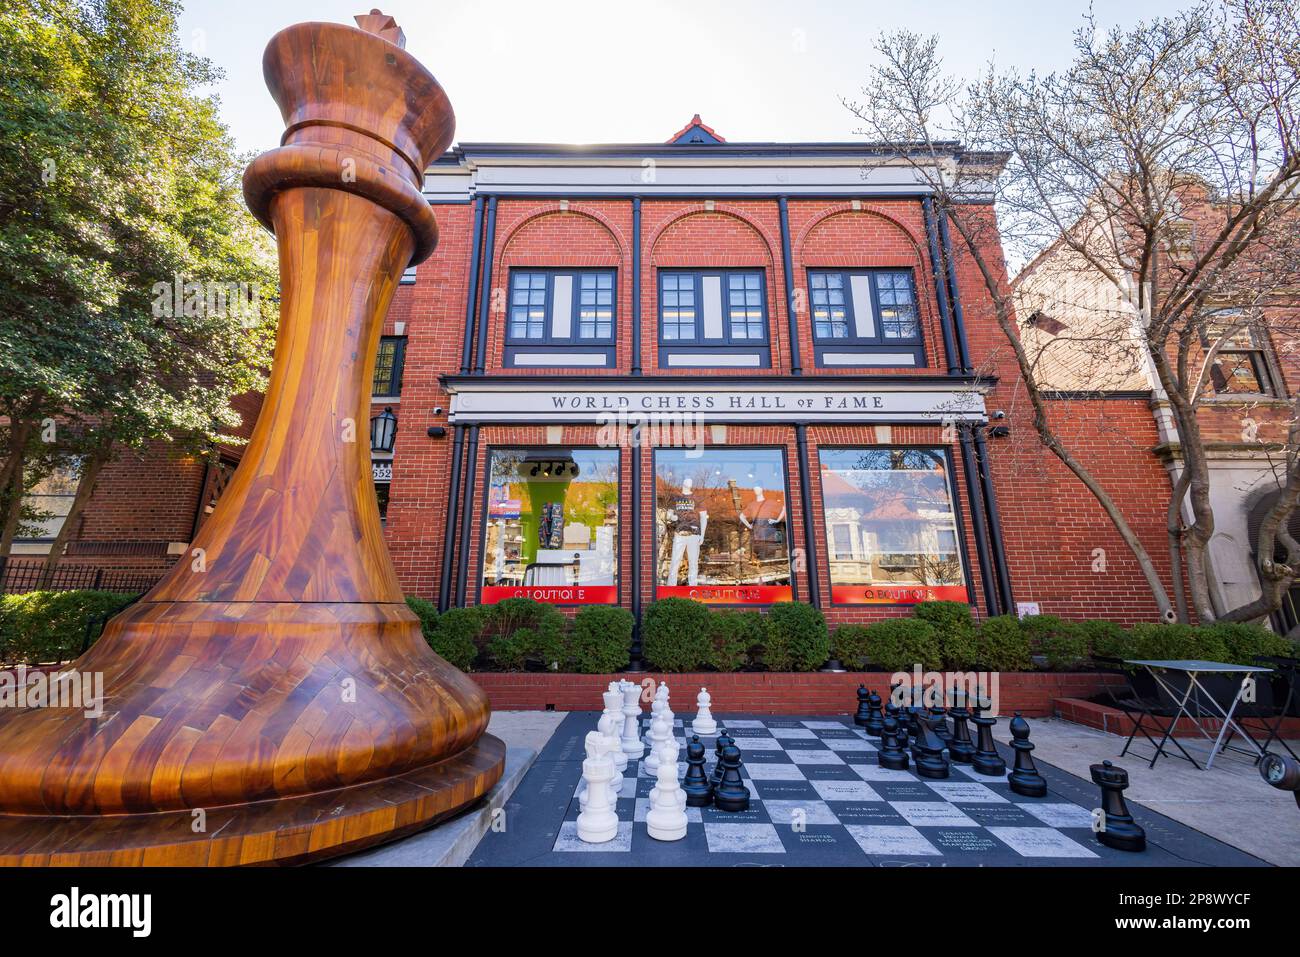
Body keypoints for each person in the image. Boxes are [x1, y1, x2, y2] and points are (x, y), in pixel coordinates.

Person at [665, 477, 707, 586]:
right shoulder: (676, 498)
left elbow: (703, 517)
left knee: (693, 562)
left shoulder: (697, 498)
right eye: (687, 480)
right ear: (683, 482)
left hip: (694, 533)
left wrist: (702, 535)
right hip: (679, 533)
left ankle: (693, 586)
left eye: (691, 480)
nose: (690, 482)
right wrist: (672, 517)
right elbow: (668, 514)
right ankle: (671, 586)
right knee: (675, 560)